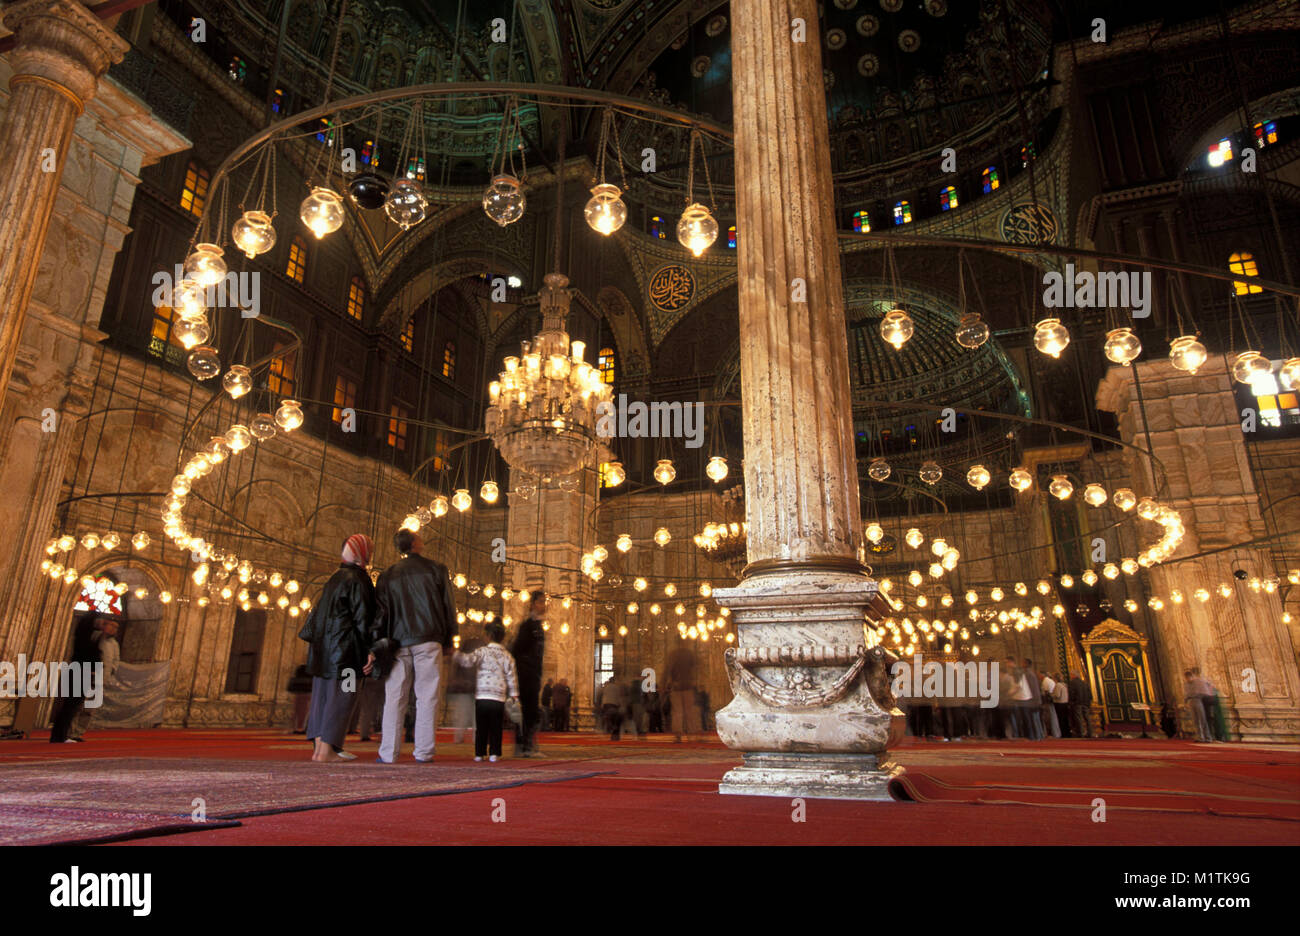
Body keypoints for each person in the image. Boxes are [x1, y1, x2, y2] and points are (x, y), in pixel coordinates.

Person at [369, 529, 457, 764]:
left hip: (397, 642)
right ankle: (424, 752)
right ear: (416, 543)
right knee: (427, 696)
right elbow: (448, 606)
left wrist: (377, 644)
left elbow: (381, 613)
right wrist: (449, 639)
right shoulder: (436, 569)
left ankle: (388, 753)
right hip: (428, 638)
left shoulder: (388, 575)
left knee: (395, 697)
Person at [300, 533, 376, 762]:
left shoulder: (333, 579)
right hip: (348, 658)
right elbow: (364, 620)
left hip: (323, 656)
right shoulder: (360, 580)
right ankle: (328, 750)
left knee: (322, 699)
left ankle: (318, 749)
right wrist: (371, 651)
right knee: (345, 696)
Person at [454, 621, 518, 762]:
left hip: (482, 696)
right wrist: (514, 694)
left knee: (481, 727)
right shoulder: (506, 655)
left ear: (488, 636)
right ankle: (494, 753)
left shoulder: (483, 651)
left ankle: (479, 753)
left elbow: (468, 661)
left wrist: (456, 654)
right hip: (498, 698)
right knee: (496, 727)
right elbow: (511, 676)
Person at [68, 618, 124, 742]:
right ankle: (69, 732)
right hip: (87, 676)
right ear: (105, 625)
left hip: (101, 680)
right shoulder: (95, 638)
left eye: (116, 627)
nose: (113, 629)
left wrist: (109, 673)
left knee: (90, 709)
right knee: (79, 706)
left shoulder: (114, 644)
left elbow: (116, 660)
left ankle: (78, 733)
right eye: (111, 626)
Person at [510, 593, 547, 756]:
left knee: (530, 711)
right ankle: (525, 747)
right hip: (526, 674)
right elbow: (517, 650)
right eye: (540, 602)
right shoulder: (527, 626)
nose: (544, 605)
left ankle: (525, 745)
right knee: (528, 710)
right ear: (532, 604)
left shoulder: (537, 626)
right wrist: (525, 670)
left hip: (532, 674)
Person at [445, 633, 483, 744]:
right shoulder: (480, 655)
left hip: (465, 689)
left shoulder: (464, 657)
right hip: (474, 688)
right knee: (476, 716)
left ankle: (459, 738)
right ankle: (477, 739)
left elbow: (457, 667)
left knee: (462, 716)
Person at [665, 642, 698, 741]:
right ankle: (691, 735)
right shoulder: (689, 654)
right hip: (688, 685)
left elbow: (668, 670)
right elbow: (695, 669)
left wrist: (665, 684)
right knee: (689, 711)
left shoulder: (673, 655)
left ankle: (678, 735)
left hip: (676, 686)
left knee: (677, 712)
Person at [1183, 669, 1213, 742]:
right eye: (1186, 678)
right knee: (1195, 721)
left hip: (1198, 700)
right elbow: (1186, 694)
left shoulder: (1199, 682)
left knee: (1202, 719)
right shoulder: (1186, 684)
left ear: (1192, 676)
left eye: (1189, 677)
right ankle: (1200, 737)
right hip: (1191, 701)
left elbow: (1207, 688)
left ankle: (1207, 737)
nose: (1187, 679)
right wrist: (1185, 702)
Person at [1020, 658, 1044, 740]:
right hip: (1033, 700)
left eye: (1023, 663)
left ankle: (1037, 736)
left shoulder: (1029, 674)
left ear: (1026, 664)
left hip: (1032, 701)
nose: (1021, 665)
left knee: (1034, 720)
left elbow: (1033, 689)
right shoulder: (1029, 674)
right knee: (1035, 719)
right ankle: (1039, 736)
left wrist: (1035, 701)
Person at [599, 674, 629, 740]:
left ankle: (609, 730)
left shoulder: (606, 687)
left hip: (606, 705)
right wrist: (620, 705)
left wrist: (602, 706)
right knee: (615, 721)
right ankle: (614, 734)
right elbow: (618, 697)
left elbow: (604, 696)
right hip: (614, 705)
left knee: (609, 720)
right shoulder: (616, 687)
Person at [287, 664, 313, 734]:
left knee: (297, 713)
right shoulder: (311, 679)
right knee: (305, 713)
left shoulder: (295, 679)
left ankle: (297, 728)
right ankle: (302, 728)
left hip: (298, 696)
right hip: (308, 696)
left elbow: (290, 688)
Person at [1068, 671, 1092, 738]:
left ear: (1073, 675)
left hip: (1077, 703)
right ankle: (1090, 733)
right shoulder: (1084, 683)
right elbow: (1090, 694)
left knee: (1079, 719)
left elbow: (1071, 694)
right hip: (1086, 703)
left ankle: (1081, 733)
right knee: (1087, 719)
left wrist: (1071, 702)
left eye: (1071, 675)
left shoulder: (1072, 683)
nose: (1070, 676)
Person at [1040, 670, 1061, 738]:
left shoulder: (1046, 681)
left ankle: (1052, 733)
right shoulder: (1049, 681)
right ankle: (1054, 733)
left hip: (1048, 702)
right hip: (1050, 702)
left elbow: (1046, 693)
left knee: (1050, 718)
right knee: (1051, 718)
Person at [1050, 671, 1071, 738]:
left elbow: (1057, 695)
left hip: (1059, 704)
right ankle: (1067, 733)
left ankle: (1063, 734)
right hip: (1065, 703)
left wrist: (1051, 694)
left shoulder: (1058, 685)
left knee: (1061, 720)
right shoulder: (1064, 684)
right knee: (1065, 720)